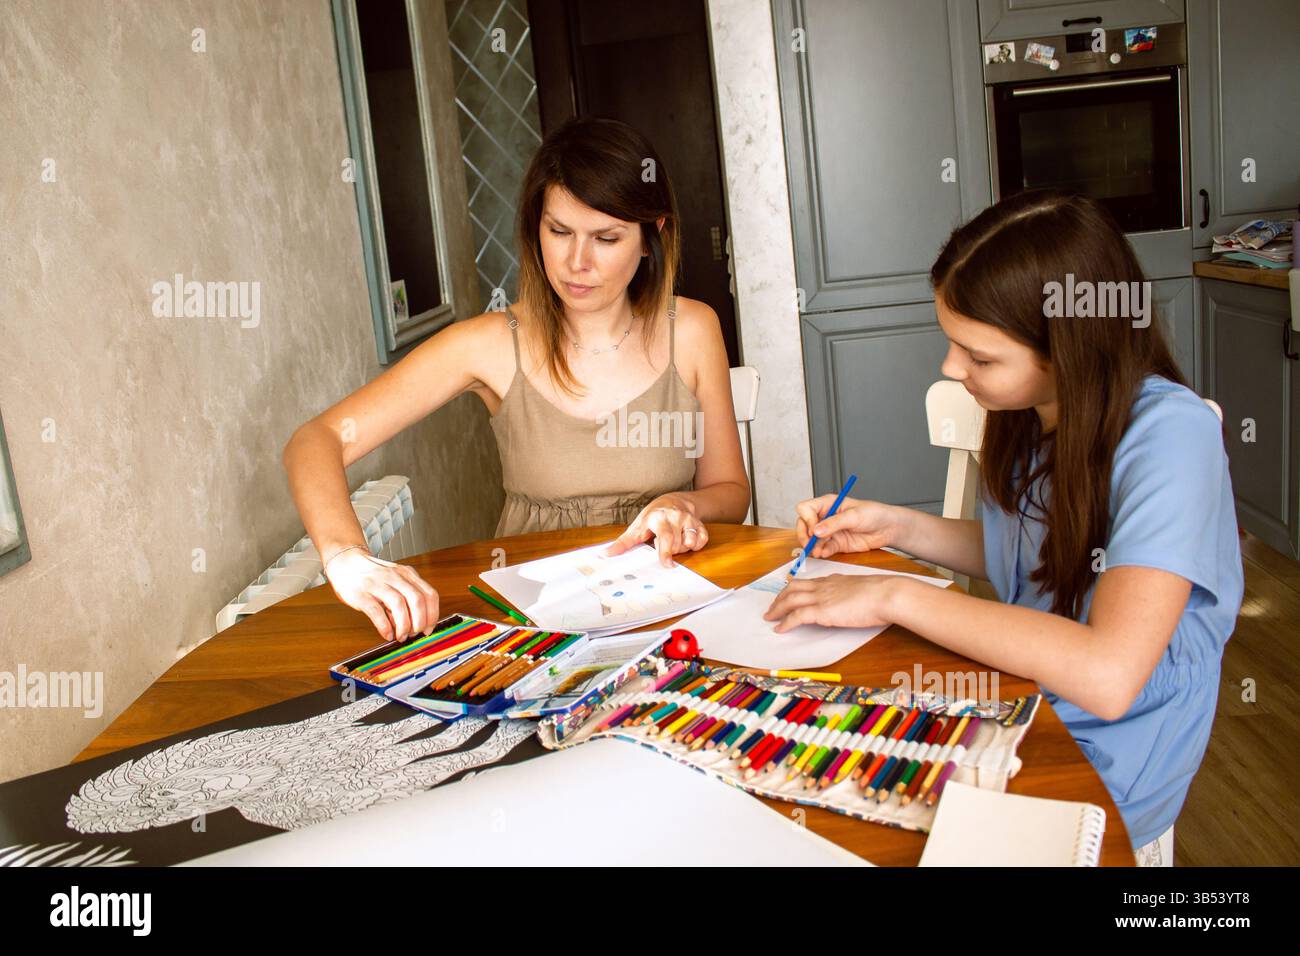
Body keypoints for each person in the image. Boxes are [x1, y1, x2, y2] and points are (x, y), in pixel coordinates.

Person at [763, 190, 1243, 862]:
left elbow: (1109, 673)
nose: (951, 369)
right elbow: (1029, 554)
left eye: (978, 357)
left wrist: (893, 593)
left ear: (1066, 348)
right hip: (1019, 708)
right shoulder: (1033, 415)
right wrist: (894, 526)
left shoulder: (1172, 437)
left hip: (1105, 772)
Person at [282, 117, 749, 644]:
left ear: (651, 238)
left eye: (607, 237)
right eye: (559, 231)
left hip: (672, 611)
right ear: (535, 229)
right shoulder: (488, 343)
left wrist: (683, 505)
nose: (578, 262)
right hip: (539, 628)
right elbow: (314, 441)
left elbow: (730, 493)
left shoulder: (692, 328)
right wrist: (349, 559)